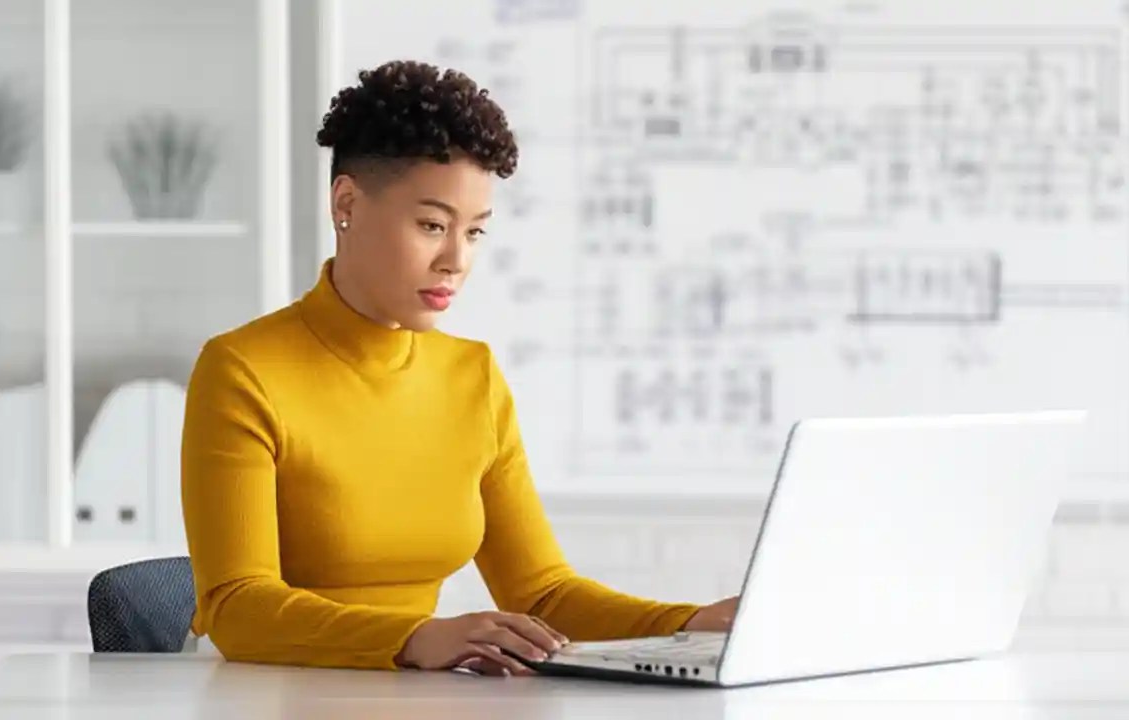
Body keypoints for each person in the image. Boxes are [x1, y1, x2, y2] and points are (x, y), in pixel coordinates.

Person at [180, 60, 737, 676]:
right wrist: (417, 639)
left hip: (421, 696)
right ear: (347, 203)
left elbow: (542, 594)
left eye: (474, 232)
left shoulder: (473, 374)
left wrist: (691, 624)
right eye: (432, 225)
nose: (456, 259)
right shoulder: (244, 371)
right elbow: (237, 606)